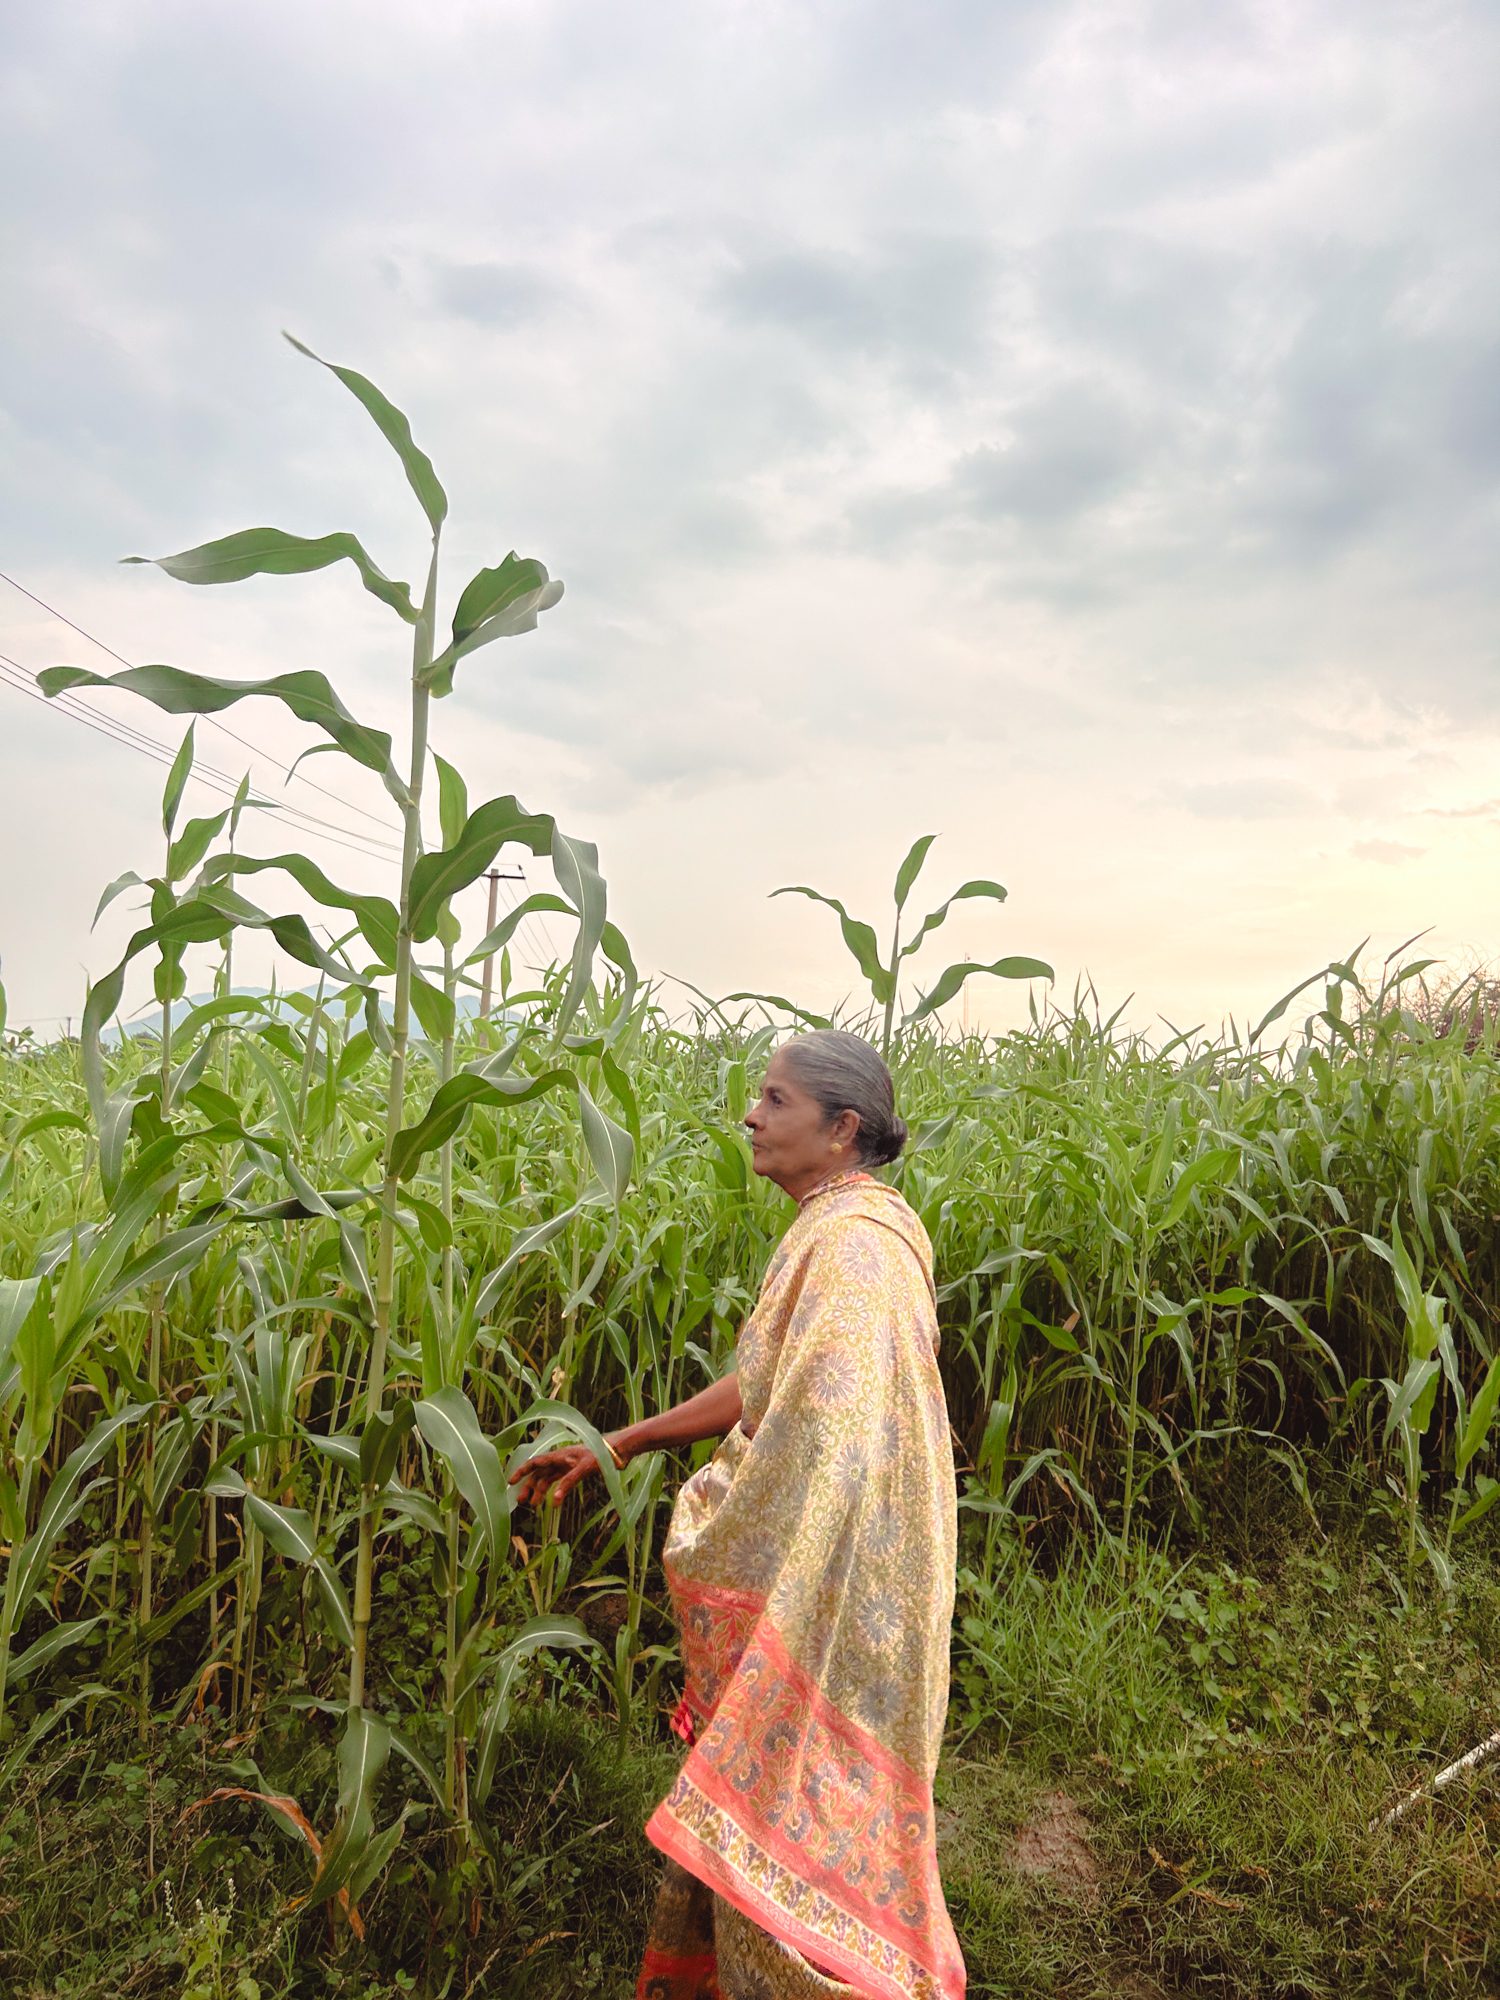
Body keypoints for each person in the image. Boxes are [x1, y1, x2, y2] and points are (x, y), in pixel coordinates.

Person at [510, 1030, 965, 2000]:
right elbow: (773, 1385)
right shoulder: (847, 1227)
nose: (750, 1114)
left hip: (845, 1578)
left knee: (796, 1822)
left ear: (841, 1128)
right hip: (867, 1562)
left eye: (774, 1097)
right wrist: (617, 1443)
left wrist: (751, 1522)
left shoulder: (852, 1245)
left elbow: (831, 1422)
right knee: (775, 1807)